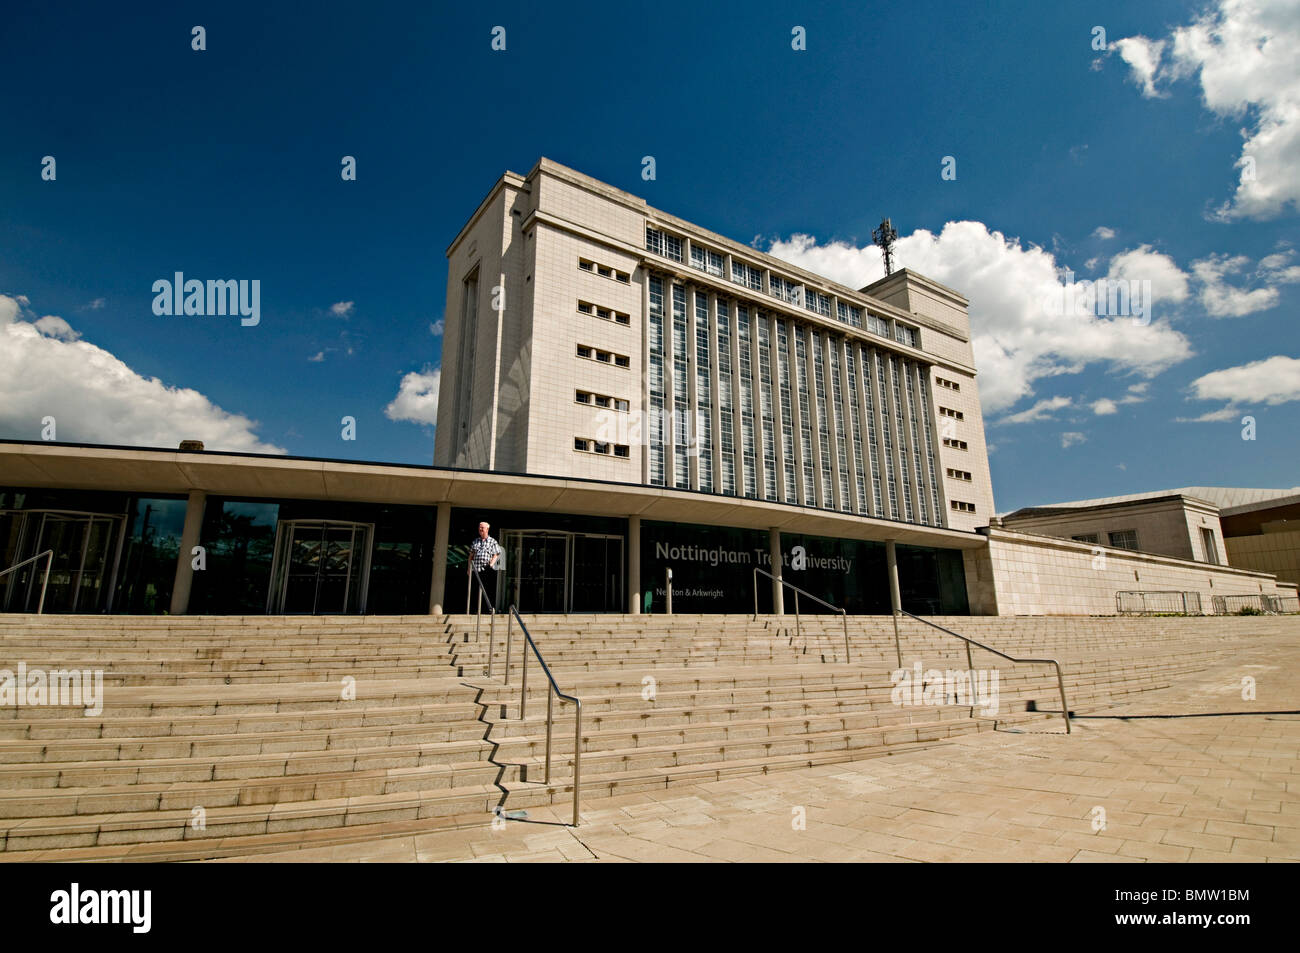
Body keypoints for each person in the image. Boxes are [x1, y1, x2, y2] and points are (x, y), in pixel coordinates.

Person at [467, 521, 502, 606]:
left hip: (486, 570)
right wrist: (469, 568)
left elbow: (497, 554)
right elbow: (470, 556)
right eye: (479, 527)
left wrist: (491, 564)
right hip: (476, 570)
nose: (480, 529)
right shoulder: (475, 541)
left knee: (486, 590)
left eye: (482, 527)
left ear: (487, 529)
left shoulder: (492, 541)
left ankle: (486, 609)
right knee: (475, 590)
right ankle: (475, 609)